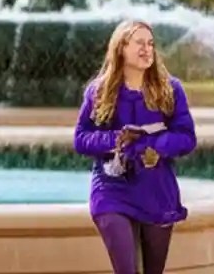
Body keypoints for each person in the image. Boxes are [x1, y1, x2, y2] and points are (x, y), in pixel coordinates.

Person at [73, 20, 197, 274]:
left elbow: (187, 137)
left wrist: (156, 146)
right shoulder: (98, 91)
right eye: (139, 43)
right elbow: (81, 138)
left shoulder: (171, 89)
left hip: (156, 189)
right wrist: (115, 140)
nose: (147, 49)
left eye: (150, 43)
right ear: (121, 48)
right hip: (112, 188)